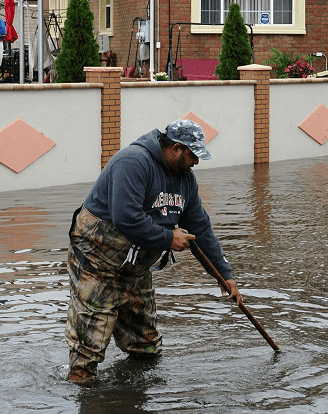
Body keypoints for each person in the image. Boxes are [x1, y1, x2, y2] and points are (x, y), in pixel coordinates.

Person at [65, 119, 242, 384]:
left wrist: (223, 275)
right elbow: (126, 217)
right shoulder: (133, 162)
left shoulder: (186, 180)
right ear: (175, 148)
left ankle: (131, 398)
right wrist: (169, 238)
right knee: (87, 355)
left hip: (135, 266)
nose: (196, 162)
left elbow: (200, 229)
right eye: (193, 155)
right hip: (97, 263)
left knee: (146, 347)